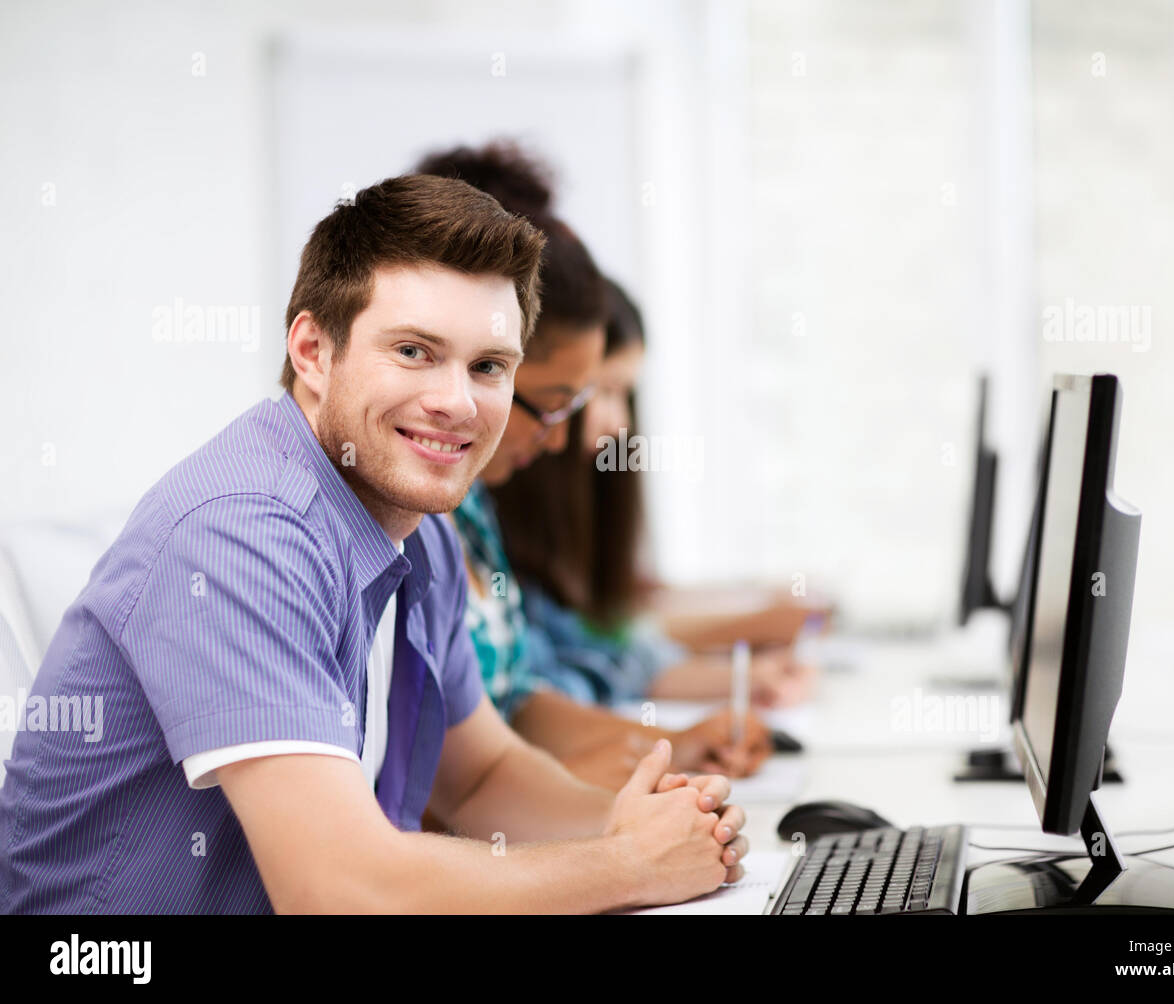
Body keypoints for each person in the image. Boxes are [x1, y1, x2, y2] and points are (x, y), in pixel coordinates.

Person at [0, 174, 748, 913]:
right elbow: (337, 889)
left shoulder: (421, 532)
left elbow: (484, 776)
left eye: (488, 367)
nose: (457, 402)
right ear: (312, 351)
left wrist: (651, 825)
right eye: (415, 352)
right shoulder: (239, 533)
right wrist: (625, 867)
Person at [413, 143, 773, 790]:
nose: (573, 436)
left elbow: (511, 711)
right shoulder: (375, 520)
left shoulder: (467, 507)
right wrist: (612, 802)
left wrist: (664, 752)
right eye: (568, 401)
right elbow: (433, 792)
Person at [491, 277, 822, 711]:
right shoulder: (490, 512)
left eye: (623, 394)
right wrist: (744, 651)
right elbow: (560, 676)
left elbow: (611, 629)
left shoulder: (554, 510)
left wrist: (744, 663)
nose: (618, 424)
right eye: (603, 391)